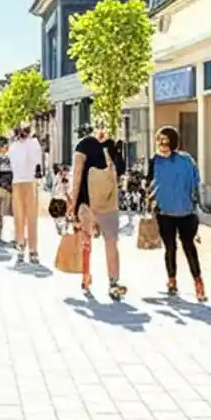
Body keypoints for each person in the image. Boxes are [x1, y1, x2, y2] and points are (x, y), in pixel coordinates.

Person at [69, 119, 127, 300]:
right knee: (111, 243)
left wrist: (72, 203)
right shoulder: (112, 147)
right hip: (109, 203)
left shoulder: (83, 145)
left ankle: (86, 278)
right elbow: (121, 171)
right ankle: (114, 283)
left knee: (86, 242)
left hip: (87, 202)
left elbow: (77, 175)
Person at [148, 126, 205, 300]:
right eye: (159, 141)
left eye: (166, 141)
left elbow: (195, 182)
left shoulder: (186, 160)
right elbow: (149, 182)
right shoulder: (155, 160)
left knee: (188, 247)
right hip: (165, 212)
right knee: (170, 248)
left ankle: (198, 282)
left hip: (186, 212)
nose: (162, 144)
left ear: (173, 142)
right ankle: (172, 280)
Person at [6, 122, 43, 265]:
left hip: (18, 182)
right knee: (31, 219)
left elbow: (12, 163)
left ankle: (21, 247)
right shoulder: (34, 144)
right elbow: (37, 162)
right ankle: (32, 251)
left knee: (19, 217)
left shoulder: (13, 146)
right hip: (30, 182)